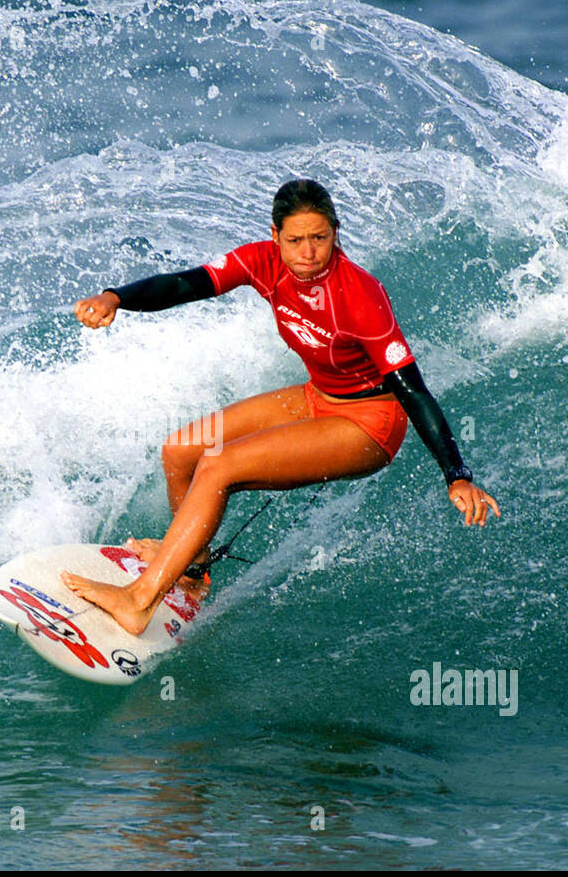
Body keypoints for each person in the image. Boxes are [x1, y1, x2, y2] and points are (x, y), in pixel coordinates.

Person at [60, 178, 499, 635]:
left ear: (335, 233)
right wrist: (116, 297)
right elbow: (184, 284)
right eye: (295, 240)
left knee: (218, 467)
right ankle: (191, 570)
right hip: (319, 396)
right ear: (275, 235)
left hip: (369, 422)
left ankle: (138, 601)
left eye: (320, 238)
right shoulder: (262, 261)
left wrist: (456, 476)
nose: (308, 253)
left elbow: (414, 391)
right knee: (183, 449)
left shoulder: (360, 296)